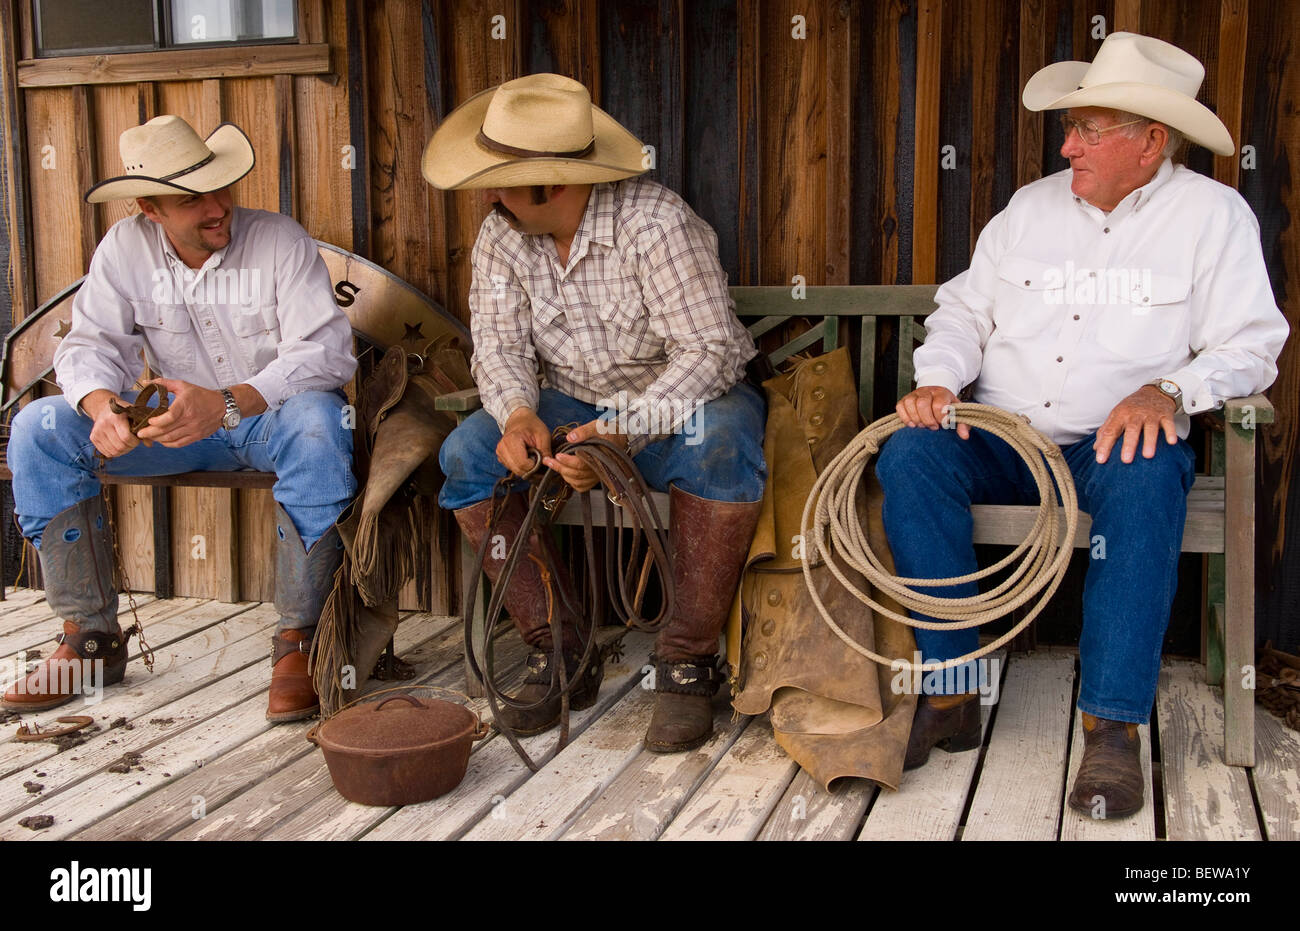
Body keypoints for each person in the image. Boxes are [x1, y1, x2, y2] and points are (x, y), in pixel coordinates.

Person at [875, 32, 1287, 817]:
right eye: (1072, 129)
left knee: (1147, 467)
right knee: (910, 456)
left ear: (1152, 141)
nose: (1068, 146)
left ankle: (1110, 726)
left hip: (1110, 443)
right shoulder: (1030, 209)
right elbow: (963, 309)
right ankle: (954, 689)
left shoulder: (1212, 218)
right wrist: (937, 381)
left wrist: (1170, 388)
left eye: (1090, 130)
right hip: (1003, 434)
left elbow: (1255, 345)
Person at [423, 73, 766, 752]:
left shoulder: (656, 222)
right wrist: (520, 412)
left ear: (551, 184)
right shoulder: (502, 237)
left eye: (503, 180)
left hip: (677, 400)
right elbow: (497, 344)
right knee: (466, 454)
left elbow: (710, 352)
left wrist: (622, 434)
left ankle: (686, 662)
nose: (490, 194)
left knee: (723, 442)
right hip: (568, 401)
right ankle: (560, 648)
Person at [3, 115, 357, 722]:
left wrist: (227, 401)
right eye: (193, 198)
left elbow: (326, 353)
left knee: (321, 425)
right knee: (39, 428)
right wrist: (101, 408)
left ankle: (299, 641)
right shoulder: (123, 247)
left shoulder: (279, 240)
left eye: (223, 188)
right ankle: (91, 642)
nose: (218, 207)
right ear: (150, 207)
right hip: (171, 429)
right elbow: (90, 347)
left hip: (269, 423)